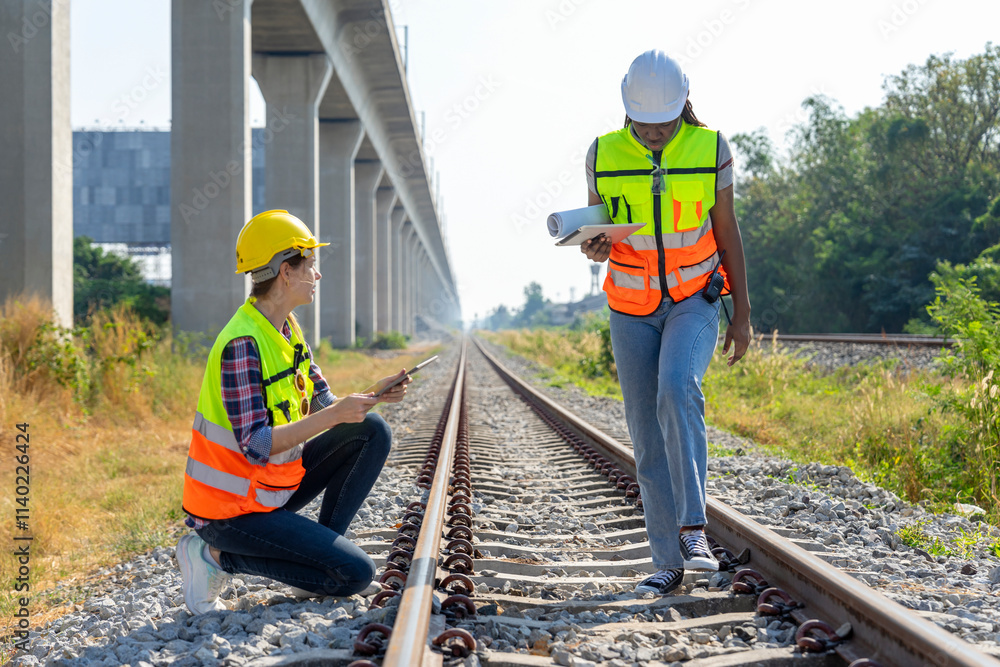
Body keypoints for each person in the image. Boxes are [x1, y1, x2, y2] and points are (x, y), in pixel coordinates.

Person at [175, 209, 411, 614]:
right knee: (355, 575)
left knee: (371, 430)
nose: (317, 275)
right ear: (286, 272)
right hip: (230, 511)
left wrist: (370, 397)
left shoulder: (288, 327)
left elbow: (323, 401)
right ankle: (212, 557)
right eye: (311, 265)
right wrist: (336, 415)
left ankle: (314, 559)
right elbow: (256, 445)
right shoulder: (241, 343)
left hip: (270, 492)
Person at [580, 51, 751, 596]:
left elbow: (727, 229)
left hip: (694, 299)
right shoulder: (602, 153)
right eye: (644, 121)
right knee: (645, 436)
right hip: (629, 306)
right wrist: (594, 246)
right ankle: (666, 563)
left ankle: (694, 528)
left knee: (678, 388)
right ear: (627, 109)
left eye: (665, 120)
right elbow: (596, 235)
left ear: (683, 106)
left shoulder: (711, 148)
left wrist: (742, 314)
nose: (654, 131)